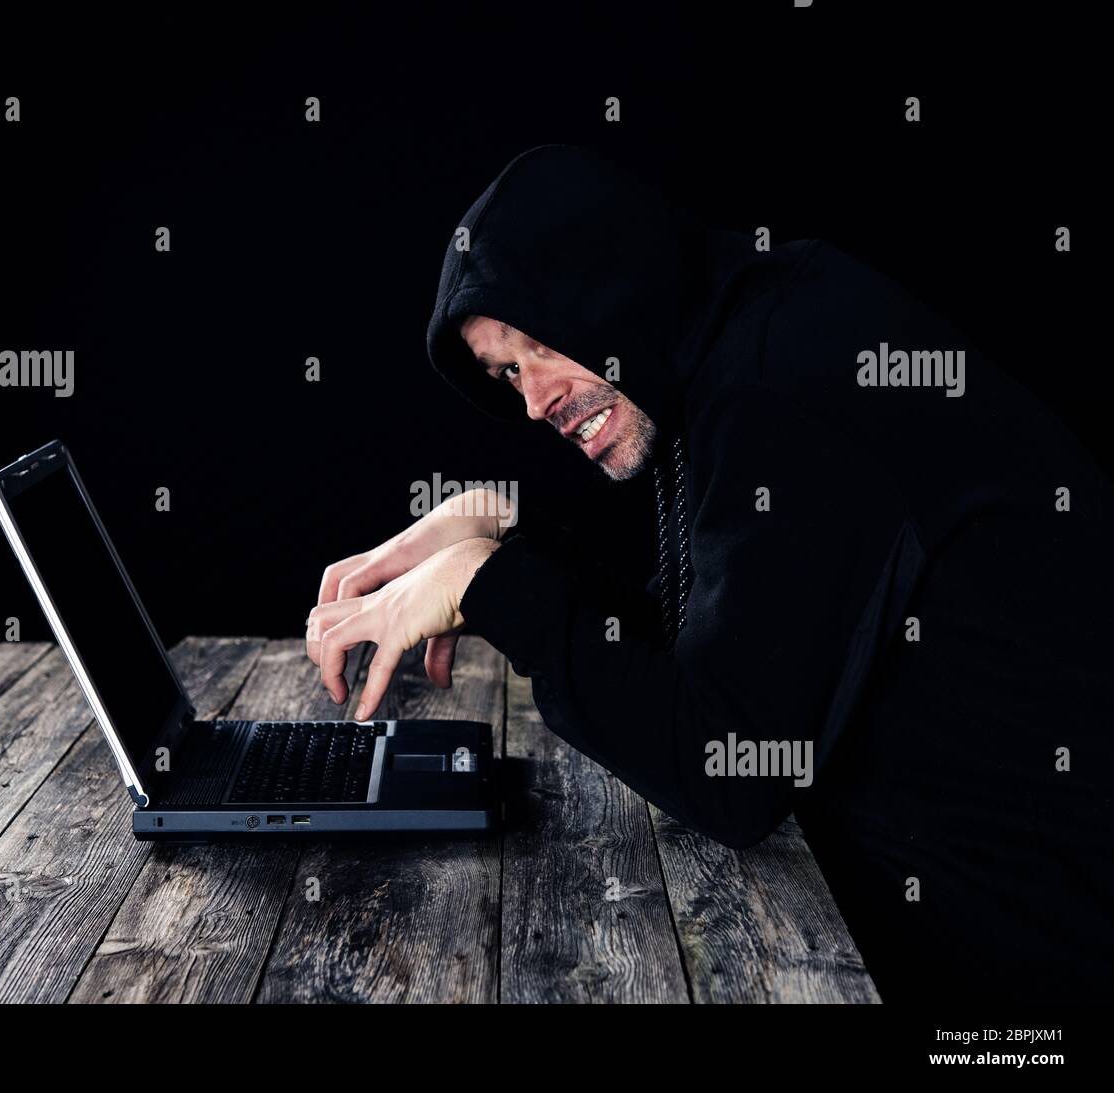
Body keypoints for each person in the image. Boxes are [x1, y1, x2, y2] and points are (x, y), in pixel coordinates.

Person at [305, 145, 1113, 1002]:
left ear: (615, 276)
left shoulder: (788, 381)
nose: (535, 400)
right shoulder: (736, 347)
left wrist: (488, 585)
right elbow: (704, 666)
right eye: (508, 372)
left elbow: (730, 772)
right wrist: (503, 529)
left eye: (538, 340)